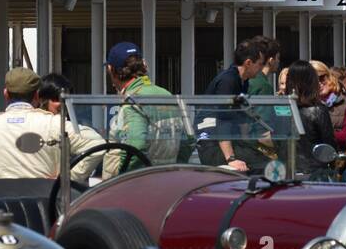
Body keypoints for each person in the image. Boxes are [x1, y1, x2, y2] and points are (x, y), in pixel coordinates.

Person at [105, 42, 190, 172]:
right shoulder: (168, 95)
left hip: (137, 185)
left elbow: (136, 146)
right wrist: (174, 170)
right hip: (167, 179)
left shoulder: (133, 101)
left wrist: (122, 177)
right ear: (144, 65)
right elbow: (189, 140)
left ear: (111, 70)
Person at [201, 40, 266, 171]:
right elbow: (223, 120)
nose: (261, 69)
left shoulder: (243, 81)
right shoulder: (228, 81)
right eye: (259, 64)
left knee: (266, 155)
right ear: (248, 63)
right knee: (265, 163)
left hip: (227, 142)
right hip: (212, 145)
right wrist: (231, 159)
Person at [285, 60, 337, 176]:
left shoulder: (281, 109)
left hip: (286, 172)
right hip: (314, 174)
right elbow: (330, 146)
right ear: (311, 82)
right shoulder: (318, 110)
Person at [314, 63, 346, 151]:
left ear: (329, 77)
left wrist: (325, 134)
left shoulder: (344, 101)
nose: (319, 83)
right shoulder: (307, 103)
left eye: (322, 78)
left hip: (338, 156)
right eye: (314, 80)